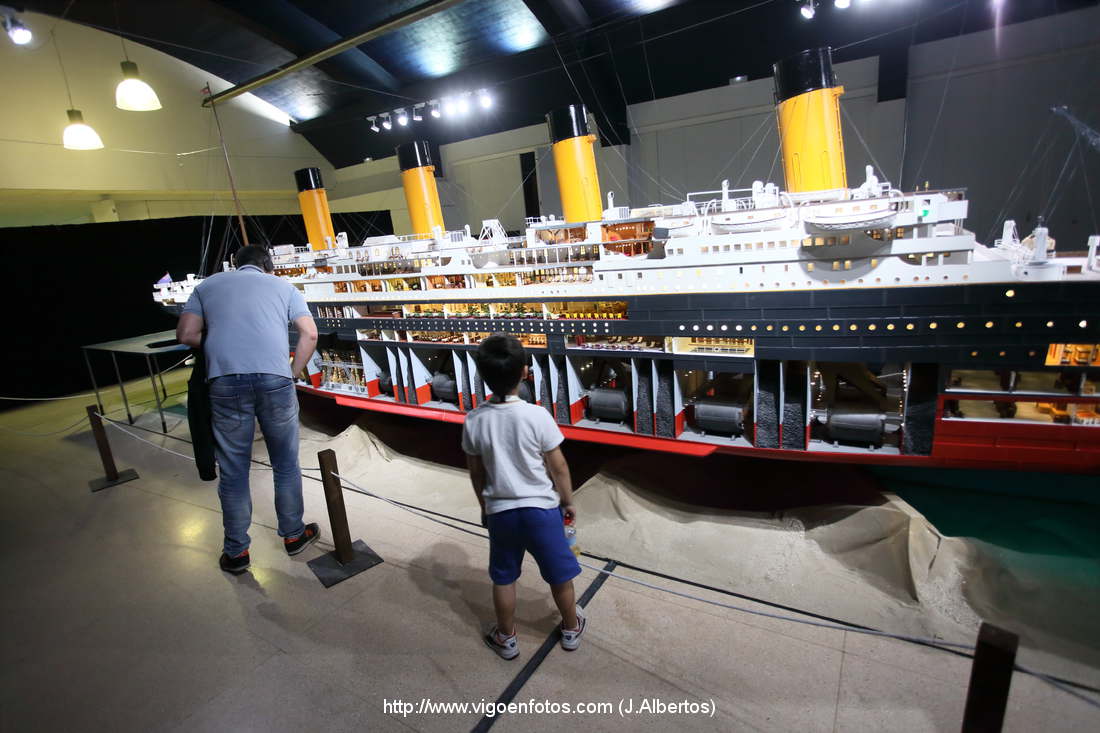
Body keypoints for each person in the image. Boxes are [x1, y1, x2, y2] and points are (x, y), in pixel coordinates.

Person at [176, 244, 321, 574]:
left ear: (235, 264)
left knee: (234, 470)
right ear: (267, 265)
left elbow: (186, 333)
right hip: (275, 381)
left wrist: (217, 345)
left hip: (225, 383)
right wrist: (293, 373)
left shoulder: (207, 286)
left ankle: (237, 552)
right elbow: (309, 334)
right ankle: (294, 536)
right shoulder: (284, 287)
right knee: (285, 464)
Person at [461, 334, 585, 659]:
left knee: (504, 577)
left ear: (482, 376)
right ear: (525, 372)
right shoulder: (537, 415)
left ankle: (506, 637)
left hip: (502, 512)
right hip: (542, 511)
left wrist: (485, 506)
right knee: (560, 575)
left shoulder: (474, 420)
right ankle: (571, 628)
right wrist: (568, 501)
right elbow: (558, 466)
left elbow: (477, 473)